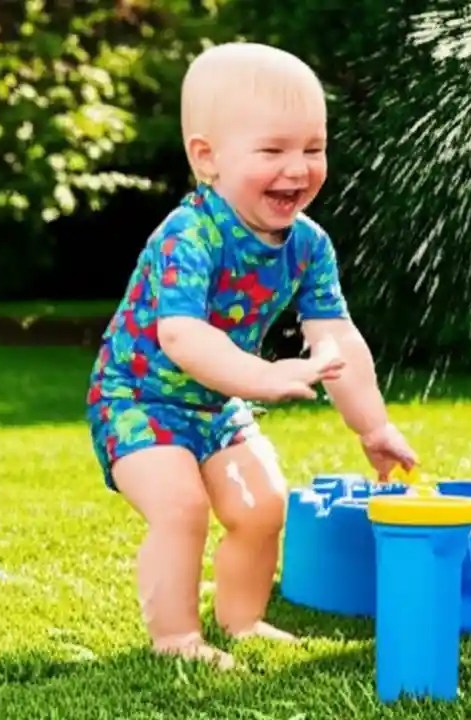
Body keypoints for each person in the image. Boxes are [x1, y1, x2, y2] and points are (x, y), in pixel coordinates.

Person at [84, 42, 418, 669]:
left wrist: (372, 426)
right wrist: (263, 377)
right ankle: (176, 638)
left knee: (263, 504)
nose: (298, 169)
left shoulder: (308, 246)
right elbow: (181, 336)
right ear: (206, 158)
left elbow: (337, 338)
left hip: (216, 403)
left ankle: (241, 620)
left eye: (313, 148)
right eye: (273, 151)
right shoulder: (190, 234)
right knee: (181, 506)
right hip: (136, 398)